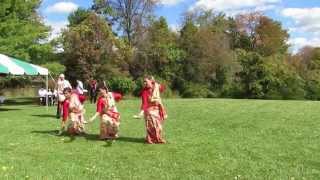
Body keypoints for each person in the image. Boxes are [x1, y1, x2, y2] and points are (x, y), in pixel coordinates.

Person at [143, 76, 167, 144]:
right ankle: (150, 139)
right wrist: (142, 111)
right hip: (149, 111)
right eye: (144, 81)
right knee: (151, 126)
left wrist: (156, 83)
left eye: (146, 81)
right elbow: (144, 102)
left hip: (157, 110)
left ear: (151, 81)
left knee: (159, 126)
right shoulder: (144, 91)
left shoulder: (156, 87)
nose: (144, 83)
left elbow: (163, 88)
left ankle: (158, 138)